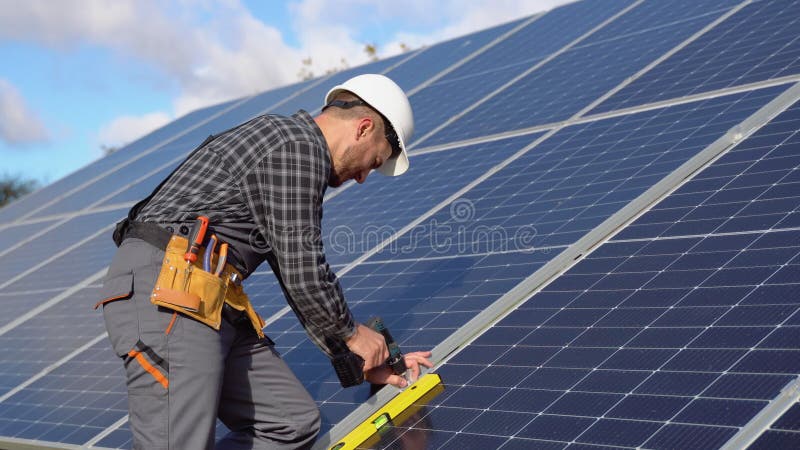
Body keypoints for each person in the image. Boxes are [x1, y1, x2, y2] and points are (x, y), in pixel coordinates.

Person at [96, 74, 433, 450]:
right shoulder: (296, 148)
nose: (362, 177)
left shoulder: (291, 151)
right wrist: (354, 335)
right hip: (169, 291)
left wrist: (360, 360)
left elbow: (296, 279)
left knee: (290, 423)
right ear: (364, 127)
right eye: (373, 161)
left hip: (211, 297)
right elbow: (305, 272)